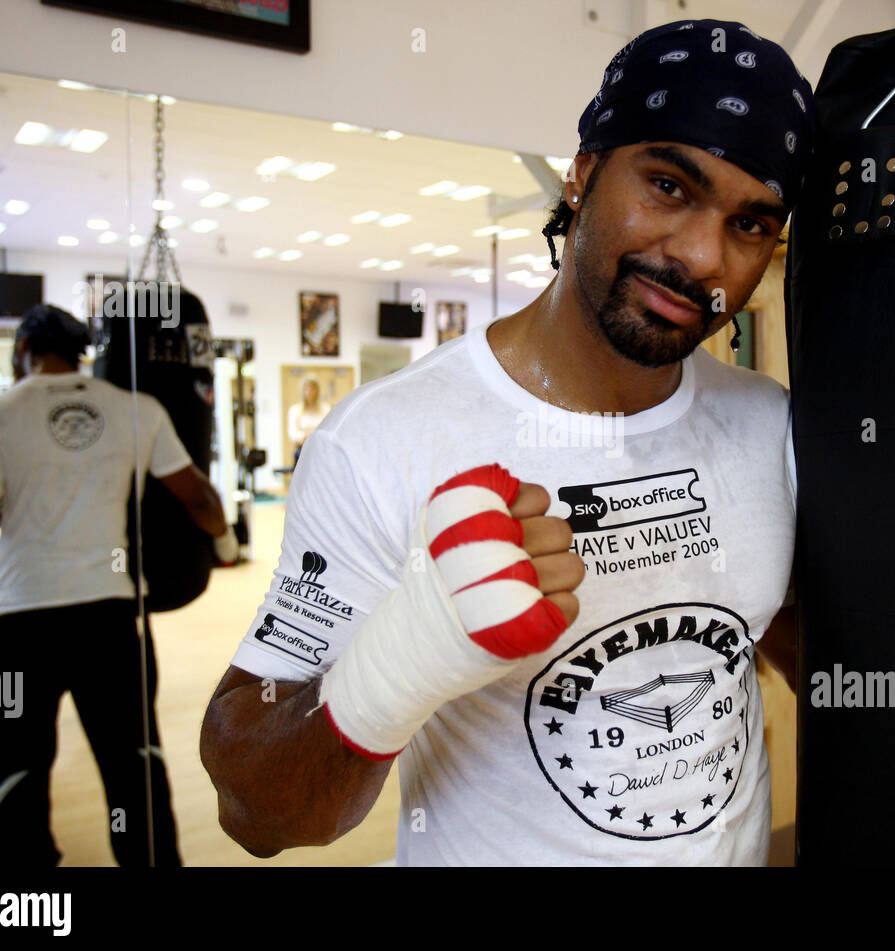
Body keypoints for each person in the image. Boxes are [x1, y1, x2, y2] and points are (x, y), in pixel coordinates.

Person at [202, 18, 815, 865]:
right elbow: (256, 818)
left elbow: (800, 649)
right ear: (585, 174)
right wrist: (401, 660)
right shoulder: (383, 439)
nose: (702, 257)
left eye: (751, 224)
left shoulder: (767, 423)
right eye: (671, 186)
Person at [0, 303, 237, 866]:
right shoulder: (137, 408)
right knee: (134, 763)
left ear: (22, 351)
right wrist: (226, 548)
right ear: (83, 352)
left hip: (19, 621)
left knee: (14, 765)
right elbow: (200, 497)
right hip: (109, 618)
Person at [286, 375, 330, 466]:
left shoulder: (325, 409)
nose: (309, 392)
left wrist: (309, 434)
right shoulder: (295, 410)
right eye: (307, 389)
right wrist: (308, 436)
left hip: (321, 451)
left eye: (313, 389)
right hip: (302, 452)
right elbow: (293, 434)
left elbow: (328, 431)